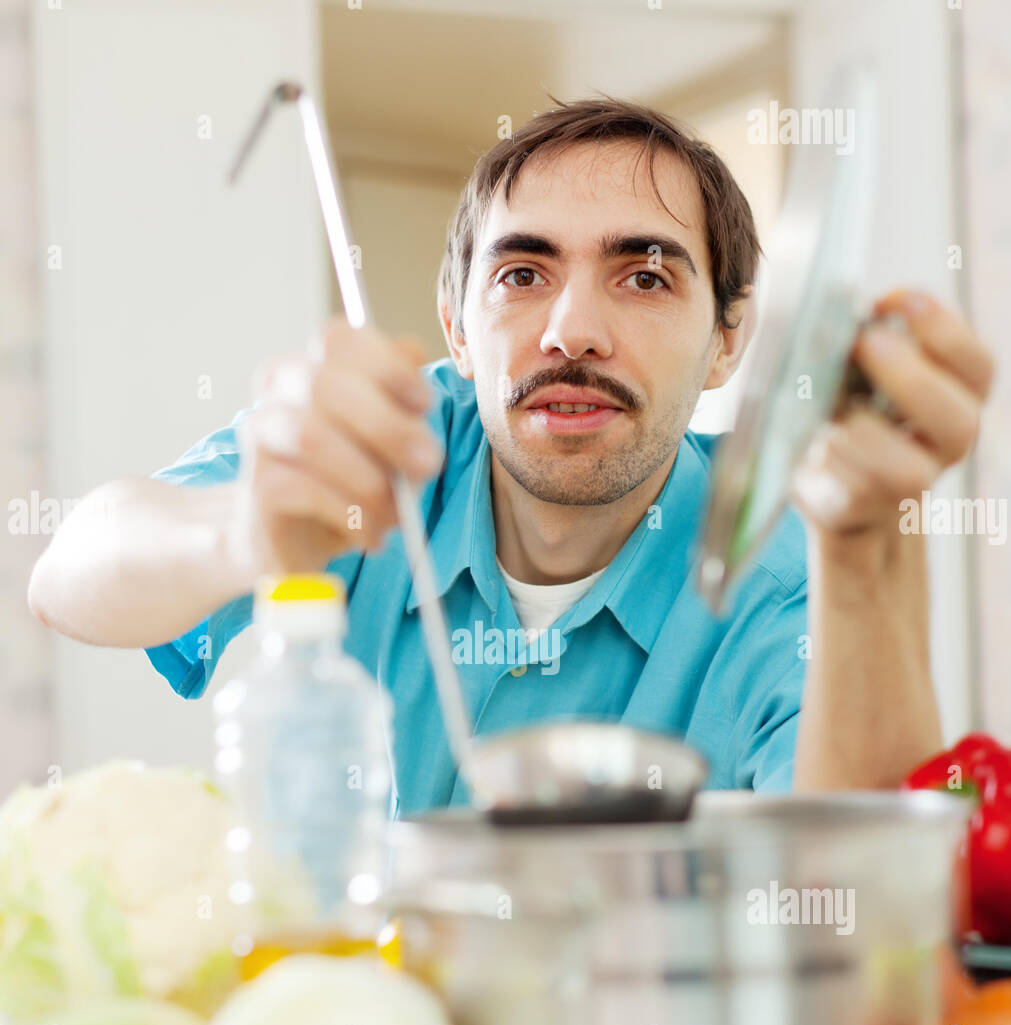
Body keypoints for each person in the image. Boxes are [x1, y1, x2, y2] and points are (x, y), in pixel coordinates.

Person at [28, 97, 993, 818]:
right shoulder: (383, 453)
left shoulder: (782, 578)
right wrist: (239, 532)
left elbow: (862, 933)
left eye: (645, 275)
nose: (572, 332)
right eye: (523, 274)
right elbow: (67, 574)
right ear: (456, 326)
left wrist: (865, 549)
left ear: (728, 340)